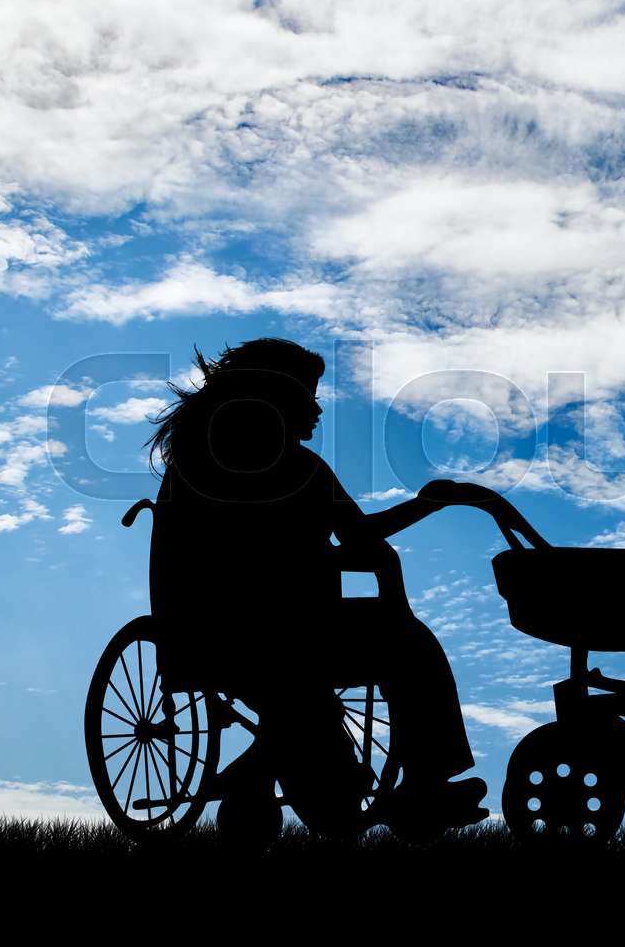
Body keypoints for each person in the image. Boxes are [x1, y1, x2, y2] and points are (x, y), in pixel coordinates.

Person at [145, 337, 493, 834]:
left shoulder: (272, 467)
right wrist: (418, 511)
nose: (316, 409)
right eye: (307, 395)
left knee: (403, 651)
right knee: (338, 797)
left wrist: (423, 507)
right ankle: (404, 782)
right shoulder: (246, 467)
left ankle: (417, 782)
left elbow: (357, 539)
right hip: (254, 638)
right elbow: (347, 541)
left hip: (272, 636)